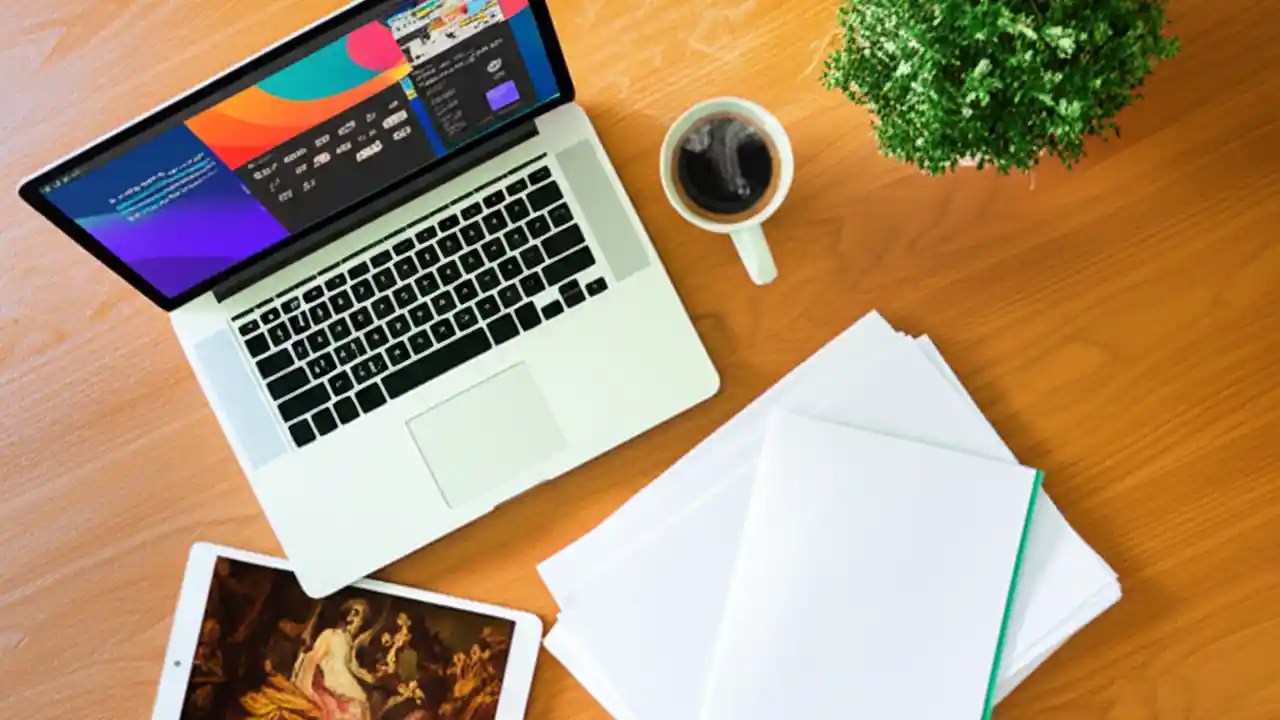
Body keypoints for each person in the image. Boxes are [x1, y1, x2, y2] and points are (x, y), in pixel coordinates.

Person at [290, 599, 378, 720]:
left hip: (340, 679)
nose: (357, 623)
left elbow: (351, 664)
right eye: (356, 616)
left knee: (361, 702)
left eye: (361, 619)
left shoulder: (349, 642)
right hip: (327, 678)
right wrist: (307, 685)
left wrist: (368, 677)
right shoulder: (330, 634)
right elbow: (313, 657)